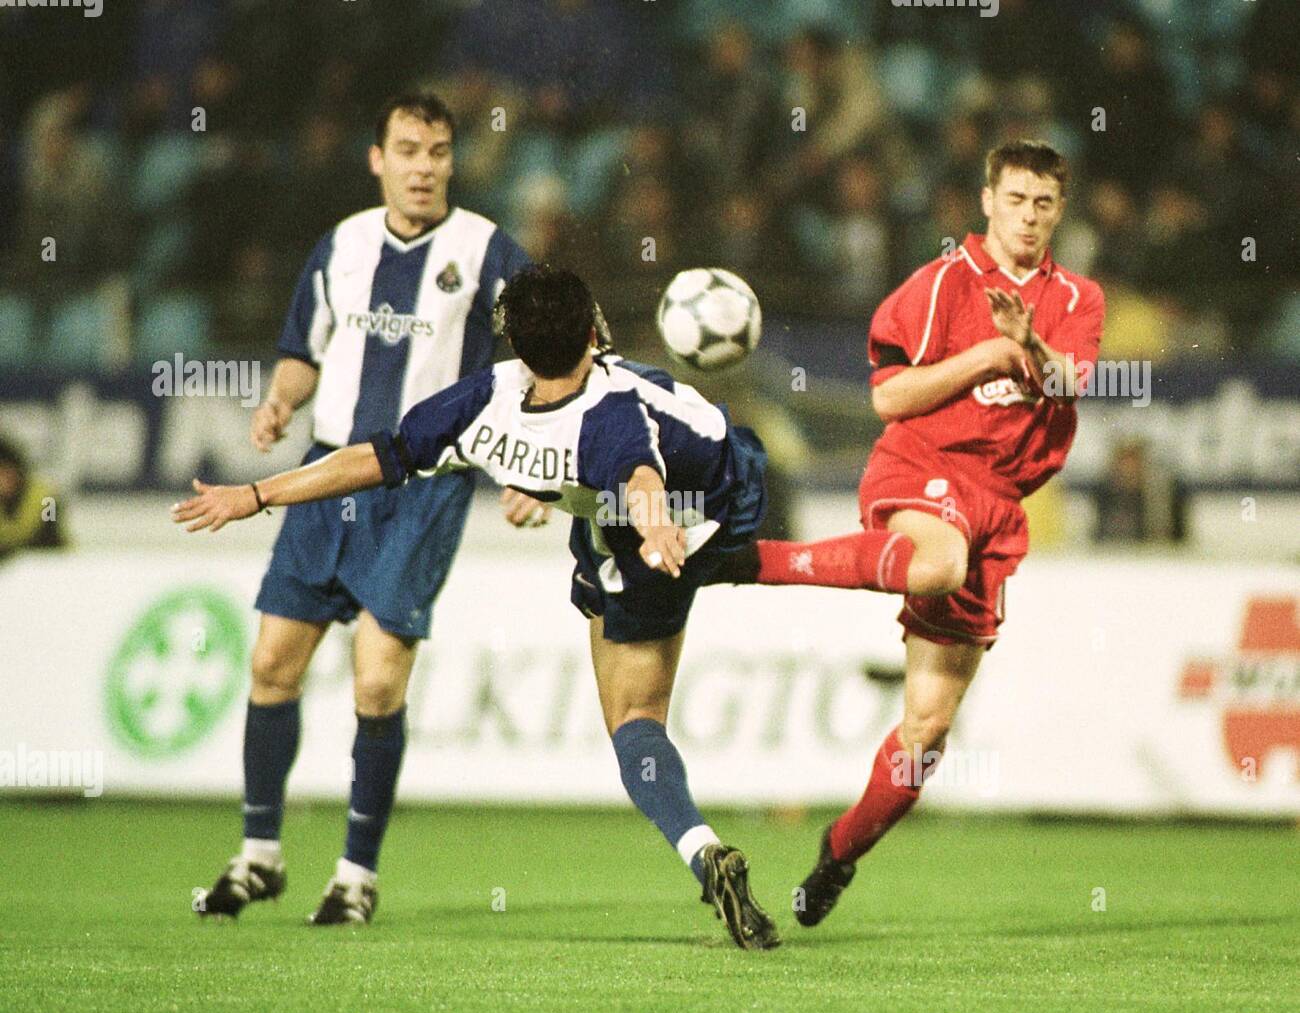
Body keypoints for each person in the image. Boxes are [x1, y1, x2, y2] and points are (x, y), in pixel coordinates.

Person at [174, 265, 781, 951]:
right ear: (590, 331)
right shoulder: (605, 410)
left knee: (635, 721)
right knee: (622, 523)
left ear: (516, 348)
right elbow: (630, 465)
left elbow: (376, 456)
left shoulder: (489, 399)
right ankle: (766, 565)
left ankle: (706, 859)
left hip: (678, 522)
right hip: (704, 479)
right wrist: (609, 501)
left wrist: (255, 495)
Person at [713, 140, 1105, 928]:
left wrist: (1025, 341)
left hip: (999, 502)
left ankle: (838, 853)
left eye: (1044, 204)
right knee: (936, 560)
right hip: (923, 467)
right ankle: (748, 558)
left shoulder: (1078, 298)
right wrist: (990, 351)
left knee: (926, 730)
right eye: (1016, 199)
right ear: (986, 200)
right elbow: (892, 398)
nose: (1028, 217)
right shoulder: (939, 285)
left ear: (1059, 212)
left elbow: (1070, 382)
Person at [195, 92, 534, 927]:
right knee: (273, 664)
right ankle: (259, 856)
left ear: (454, 161)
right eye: (409, 149)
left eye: (440, 151)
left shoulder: (488, 251)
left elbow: (541, 362)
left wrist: (533, 469)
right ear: (377, 158)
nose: (424, 166)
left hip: (423, 487)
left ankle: (355, 874)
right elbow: (304, 354)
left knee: (377, 683)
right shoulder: (342, 245)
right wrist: (279, 403)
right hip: (327, 474)